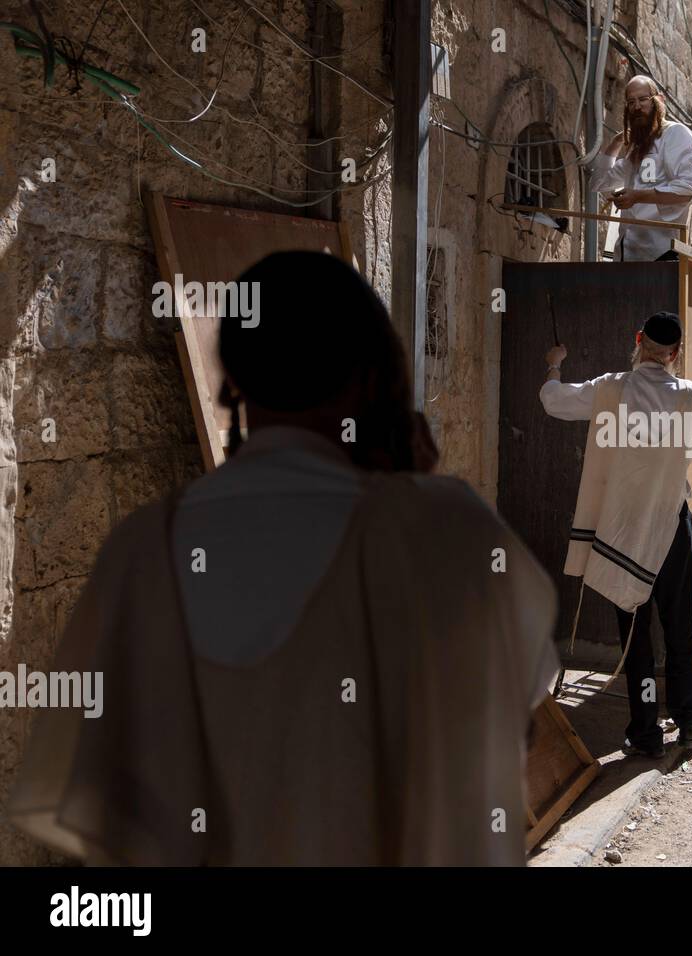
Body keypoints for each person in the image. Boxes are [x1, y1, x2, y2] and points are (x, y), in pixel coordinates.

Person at [8, 252, 559, 865]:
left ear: (234, 376)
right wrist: (413, 484)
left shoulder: (143, 551)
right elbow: (523, 689)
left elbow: (110, 803)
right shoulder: (446, 529)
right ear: (370, 373)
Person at [540, 313, 692, 757]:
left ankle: (647, 734)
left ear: (638, 341)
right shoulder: (691, 397)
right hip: (671, 526)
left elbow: (554, 402)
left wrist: (555, 364)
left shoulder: (610, 388)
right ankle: (689, 723)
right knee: (680, 630)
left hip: (620, 531)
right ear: (675, 354)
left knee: (635, 638)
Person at [591, 75, 692, 262]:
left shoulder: (675, 134)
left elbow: (689, 189)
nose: (637, 107)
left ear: (659, 100)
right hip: (626, 256)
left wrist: (637, 196)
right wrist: (616, 142)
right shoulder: (636, 149)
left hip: (661, 257)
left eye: (643, 99)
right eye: (631, 102)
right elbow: (598, 183)